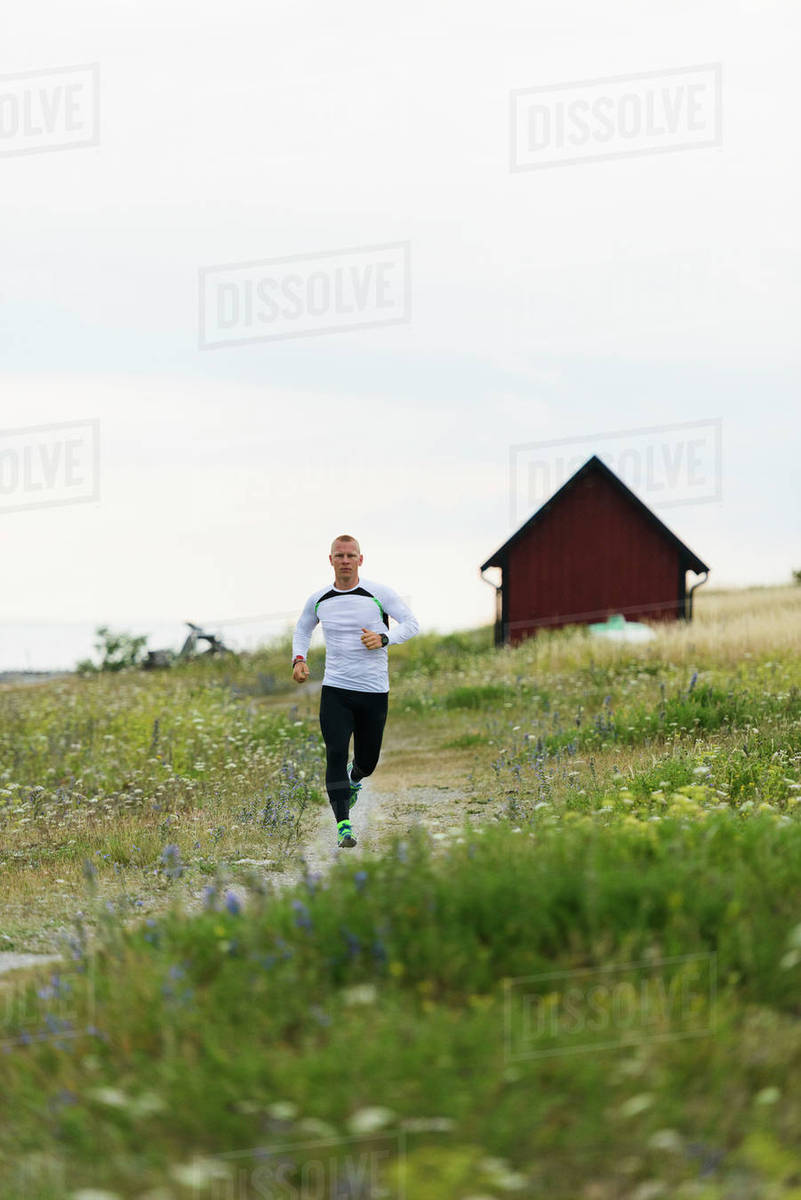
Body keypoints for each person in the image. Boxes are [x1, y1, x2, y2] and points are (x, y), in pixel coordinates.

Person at [291, 535, 419, 847]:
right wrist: (299, 659)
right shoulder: (319, 599)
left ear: (360, 560)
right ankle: (344, 826)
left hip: (374, 692)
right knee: (334, 752)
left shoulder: (379, 593)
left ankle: (354, 779)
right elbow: (303, 628)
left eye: (351, 555)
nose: (345, 560)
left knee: (367, 761)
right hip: (335, 690)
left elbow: (412, 624)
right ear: (331, 560)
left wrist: (384, 638)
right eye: (339, 555)